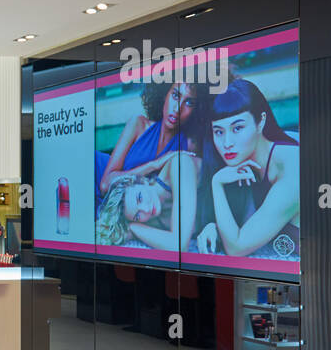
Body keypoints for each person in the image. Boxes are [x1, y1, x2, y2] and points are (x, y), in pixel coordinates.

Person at [192, 79, 300, 258]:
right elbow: (250, 225)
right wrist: (215, 227)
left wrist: (217, 184)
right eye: (219, 131)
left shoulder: (291, 171)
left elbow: (237, 248)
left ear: (261, 122)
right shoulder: (251, 161)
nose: (227, 143)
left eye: (238, 128)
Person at [97, 79, 197, 198]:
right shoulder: (138, 125)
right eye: (175, 95)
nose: (177, 109)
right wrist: (154, 165)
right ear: (164, 94)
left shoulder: (189, 145)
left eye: (189, 103)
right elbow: (105, 185)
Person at [95, 150, 199, 252]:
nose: (146, 209)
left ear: (142, 181)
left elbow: (180, 246)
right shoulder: (149, 220)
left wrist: (133, 227)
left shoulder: (179, 164)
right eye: (137, 215)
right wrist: (131, 228)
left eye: (139, 198)